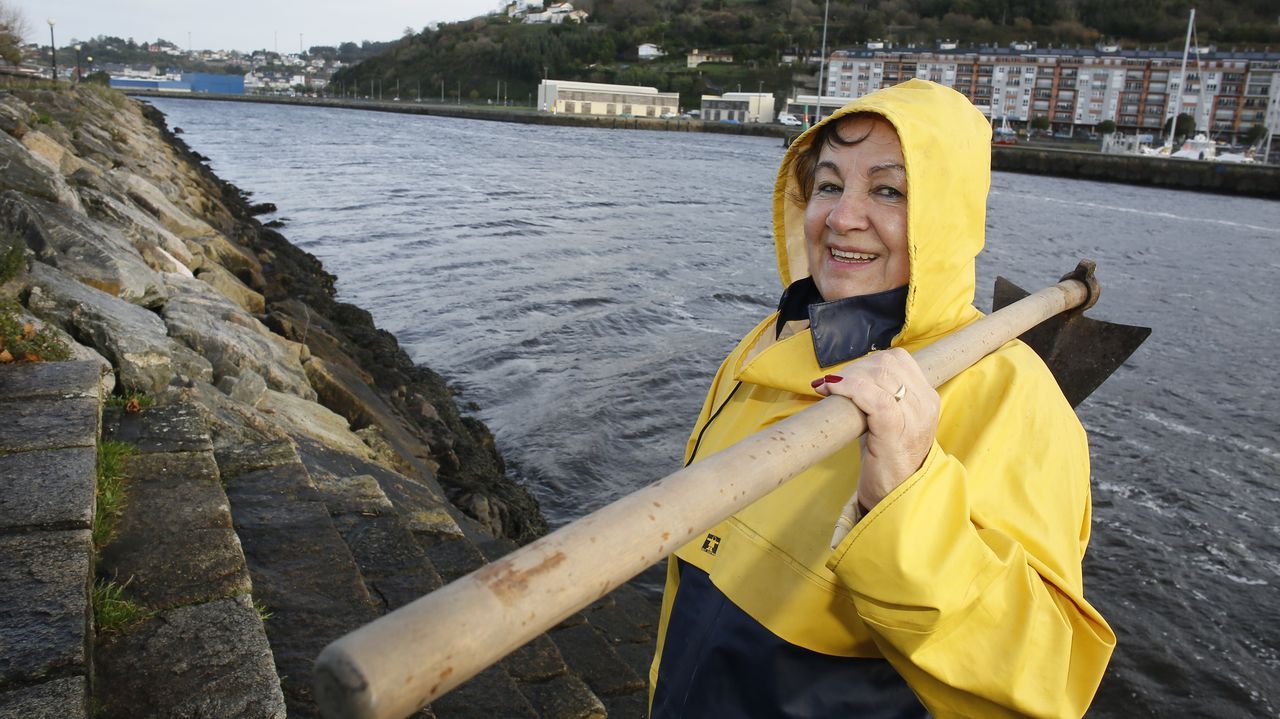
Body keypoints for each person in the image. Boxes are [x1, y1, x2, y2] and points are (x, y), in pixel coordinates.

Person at [647, 79, 1115, 718]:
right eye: (831, 185)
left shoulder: (1008, 394)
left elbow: (1044, 684)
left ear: (943, 219)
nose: (842, 217)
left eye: (889, 191)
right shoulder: (777, 336)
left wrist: (903, 496)